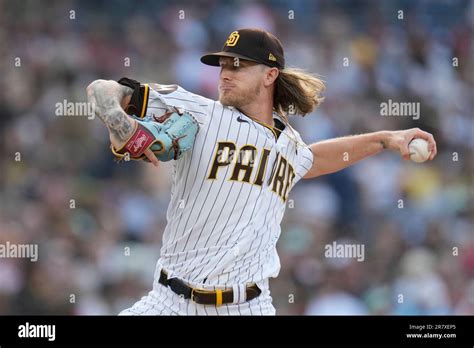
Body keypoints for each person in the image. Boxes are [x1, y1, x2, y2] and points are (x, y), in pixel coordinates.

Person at [86, 28, 437, 315]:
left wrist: (387, 138)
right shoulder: (201, 113)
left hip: (248, 307)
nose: (225, 73)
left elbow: (316, 159)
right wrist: (123, 125)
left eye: (237, 65)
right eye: (222, 65)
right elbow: (103, 91)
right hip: (170, 302)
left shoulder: (290, 147)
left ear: (270, 75)